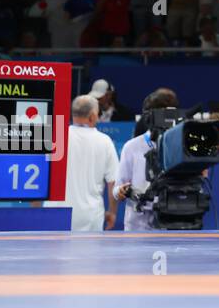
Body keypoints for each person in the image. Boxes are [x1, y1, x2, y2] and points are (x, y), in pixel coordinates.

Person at [44, 95, 120, 231]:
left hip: (54, 214)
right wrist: (112, 212)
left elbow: (41, 176)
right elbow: (113, 183)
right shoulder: (105, 141)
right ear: (92, 116)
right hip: (90, 217)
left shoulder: (56, 136)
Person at [114, 88, 180, 231]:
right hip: (138, 225)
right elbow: (117, 188)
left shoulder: (180, 145)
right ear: (149, 116)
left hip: (173, 224)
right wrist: (120, 191)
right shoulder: (131, 147)